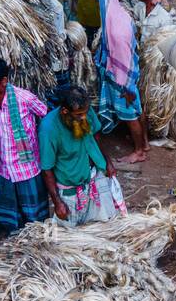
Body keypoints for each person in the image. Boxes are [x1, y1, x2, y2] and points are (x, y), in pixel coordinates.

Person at [0, 56, 50, 232]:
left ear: (3, 81)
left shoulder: (24, 98)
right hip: (1, 164)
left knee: (35, 216)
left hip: (27, 166)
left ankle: (37, 240)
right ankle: (15, 238)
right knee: (9, 213)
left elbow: (47, 116)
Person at [39, 87, 118, 225]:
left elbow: (96, 135)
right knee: (71, 237)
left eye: (86, 112)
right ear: (65, 112)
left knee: (105, 224)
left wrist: (107, 161)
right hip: (70, 186)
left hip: (94, 174)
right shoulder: (48, 129)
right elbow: (47, 170)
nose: (84, 117)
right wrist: (57, 202)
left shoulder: (84, 110)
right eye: (79, 114)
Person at [94, 0, 149, 162]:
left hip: (122, 80)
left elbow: (121, 57)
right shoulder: (122, 16)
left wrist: (123, 85)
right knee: (137, 108)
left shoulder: (115, 30)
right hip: (131, 71)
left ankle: (138, 151)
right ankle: (144, 143)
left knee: (129, 115)